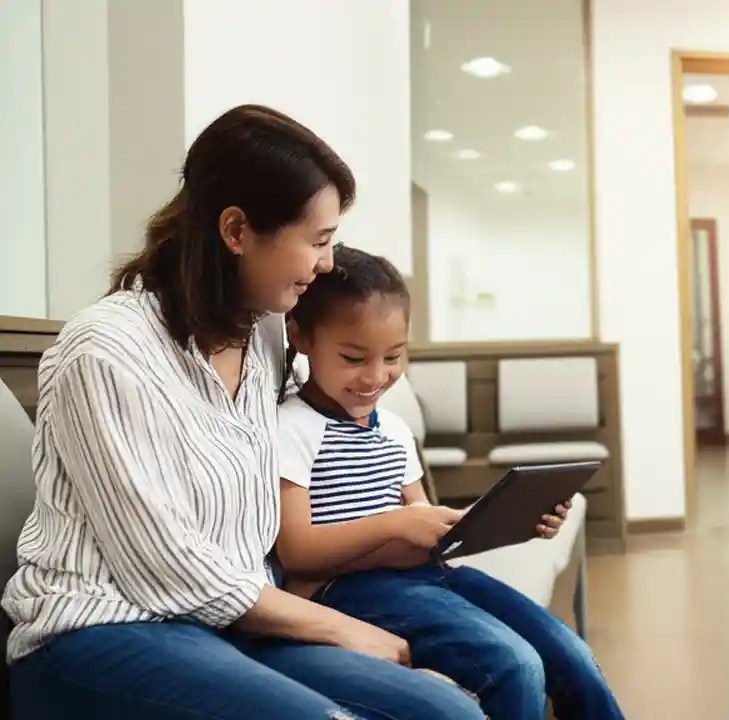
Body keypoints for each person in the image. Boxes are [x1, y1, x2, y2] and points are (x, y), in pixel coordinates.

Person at [1, 105, 483, 720]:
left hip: (229, 624)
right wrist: (334, 626)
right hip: (100, 633)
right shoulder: (105, 352)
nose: (327, 264)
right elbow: (168, 566)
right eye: (317, 241)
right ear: (236, 232)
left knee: (449, 713)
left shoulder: (264, 337)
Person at [273, 244, 626, 720]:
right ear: (301, 336)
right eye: (354, 358)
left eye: (394, 357)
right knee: (514, 664)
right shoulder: (291, 427)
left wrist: (505, 519)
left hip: (426, 577)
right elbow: (298, 554)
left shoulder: (393, 432)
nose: (376, 376)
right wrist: (398, 523)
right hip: (345, 591)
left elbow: (428, 533)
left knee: (571, 655)